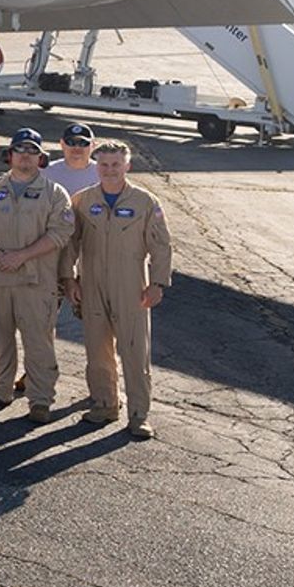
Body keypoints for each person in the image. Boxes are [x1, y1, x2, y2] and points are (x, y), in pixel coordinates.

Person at [63, 140, 172, 439]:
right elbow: (70, 244)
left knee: (135, 351)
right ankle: (104, 404)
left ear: (127, 166)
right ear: (96, 166)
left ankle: (138, 415)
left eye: (115, 164)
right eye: (104, 164)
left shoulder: (145, 202)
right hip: (92, 283)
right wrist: (69, 279)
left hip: (132, 286)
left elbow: (161, 245)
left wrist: (158, 283)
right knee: (97, 350)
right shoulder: (82, 201)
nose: (109, 170)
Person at [0, 129, 72, 422]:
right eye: (19, 150)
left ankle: (40, 400)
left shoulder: (54, 193)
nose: (25, 155)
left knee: (39, 343)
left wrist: (22, 256)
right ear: (10, 155)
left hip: (35, 281)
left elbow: (61, 232)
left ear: (40, 158)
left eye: (31, 151)